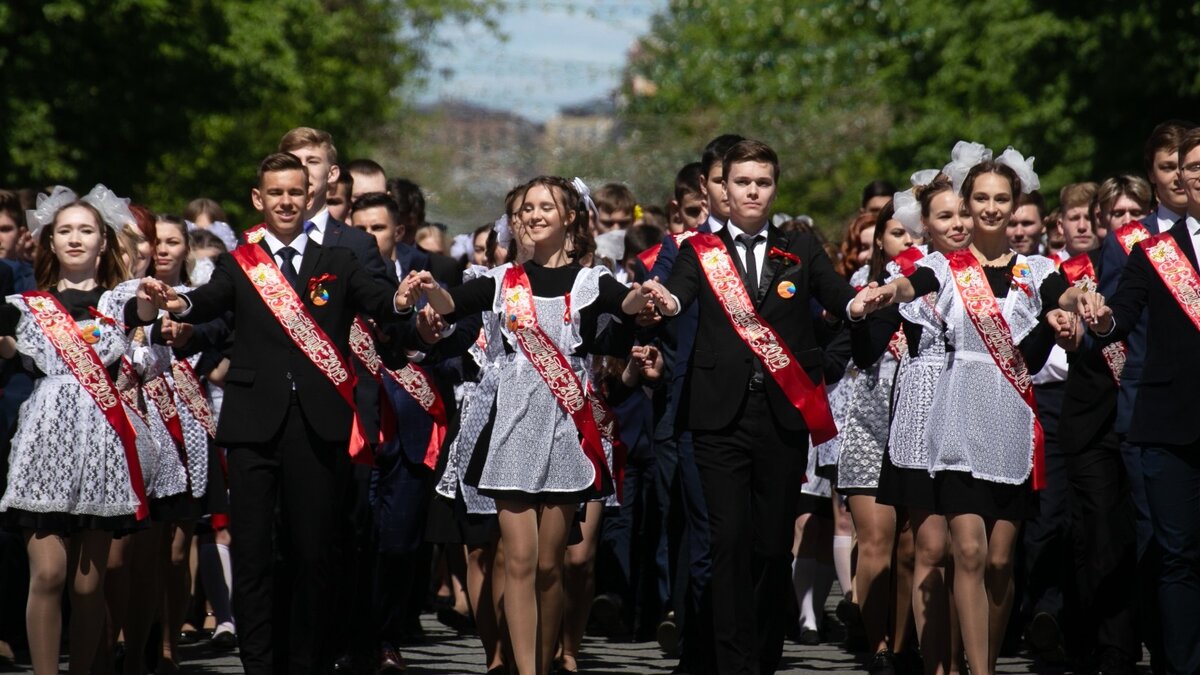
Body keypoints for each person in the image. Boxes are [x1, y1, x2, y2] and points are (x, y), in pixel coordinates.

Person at [136, 152, 419, 675]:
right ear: (258, 199)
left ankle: (306, 661)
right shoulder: (240, 260)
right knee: (253, 554)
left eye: (296, 191)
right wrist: (178, 306)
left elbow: (378, 300)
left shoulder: (339, 257)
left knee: (313, 554)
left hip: (319, 424)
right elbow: (210, 301)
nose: (287, 201)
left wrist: (401, 301)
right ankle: (259, 664)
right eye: (276, 193)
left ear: (309, 194)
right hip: (251, 424)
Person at [864, 147, 1106, 675]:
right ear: (966, 204)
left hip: (1010, 423)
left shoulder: (1035, 269)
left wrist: (1080, 300)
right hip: (954, 420)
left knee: (999, 561)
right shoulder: (944, 267)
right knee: (967, 551)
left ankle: (985, 656)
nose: (991, 209)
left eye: (1001, 199)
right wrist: (887, 291)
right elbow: (913, 285)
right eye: (981, 199)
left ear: (1015, 202)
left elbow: (1062, 295)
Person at [643, 139, 876, 675]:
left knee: (771, 547)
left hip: (782, 417)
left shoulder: (800, 248)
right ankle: (731, 661)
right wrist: (662, 301)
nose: (752, 191)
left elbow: (838, 295)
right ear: (722, 187)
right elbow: (677, 295)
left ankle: (763, 656)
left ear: (774, 188)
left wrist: (861, 303)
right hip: (716, 418)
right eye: (742, 181)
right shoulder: (699, 251)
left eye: (763, 183)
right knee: (726, 541)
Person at [416, 176, 653, 675]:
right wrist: (429, 290)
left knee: (552, 567)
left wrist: (645, 297)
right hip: (511, 430)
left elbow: (625, 304)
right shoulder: (502, 280)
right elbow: (452, 303)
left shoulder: (590, 280)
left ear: (570, 217)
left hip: (566, 429)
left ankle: (546, 662)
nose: (534, 215)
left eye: (546, 206)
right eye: (526, 208)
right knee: (518, 562)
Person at [0, 185, 152, 675]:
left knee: (88, 584)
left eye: (86, 229)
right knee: (48, 572)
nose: (75, 238)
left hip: (103, 440)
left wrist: (157, 303)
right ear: (49, 240)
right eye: (64, 230)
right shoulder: (25, 305)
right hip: (46, 439)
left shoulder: (120, 300)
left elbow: (145, 313)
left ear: (103, 241)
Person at [1090, 126, 1200, 675]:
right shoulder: (1155, 250)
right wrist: (1100, 317)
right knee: (1177, 555)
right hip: (1169, 424)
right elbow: (1120, 317)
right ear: (1181, 178)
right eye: (1195, 168)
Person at [855, 174, 974, 675]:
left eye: (963, 213)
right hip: (918, 412)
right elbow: (865, 345)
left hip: (977, 410)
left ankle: (973, 655)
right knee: (926, 544)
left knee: (980, 551)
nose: (959, 223)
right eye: (944, 215)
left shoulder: (1010, 268)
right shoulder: (909, 273)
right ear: (921, 225)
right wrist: (877, 302)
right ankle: (924, 660)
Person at [836, 199, 916, 672]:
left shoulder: (941, 284)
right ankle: (878, 644)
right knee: (877, 540)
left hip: (923, 418)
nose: (908, 241)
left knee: (911, 545)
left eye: (914, 233)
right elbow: (859, 353)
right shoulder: (863, 288)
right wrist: (868, 308)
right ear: (881, 242)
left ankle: (906, 644)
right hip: (869, 420)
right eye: (898, 233)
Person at [277, 126, 394, 286]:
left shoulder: (358, 244)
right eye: (294, 162)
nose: (303, 169)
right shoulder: (254, 241)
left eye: (312, 161)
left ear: (332, 174)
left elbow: (379, 306)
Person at [1007, 191, 1047, 256]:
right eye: (1011, 224)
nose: (1019, 233)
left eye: (1026, 224)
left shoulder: (1058, 265)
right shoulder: (986, 265)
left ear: (1044, 225)